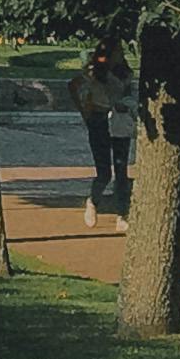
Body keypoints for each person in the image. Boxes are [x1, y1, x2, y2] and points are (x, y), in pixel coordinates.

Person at [70, 39, 135, 227]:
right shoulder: (94, 72)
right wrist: (84, 111)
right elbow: (73, 85)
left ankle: (122, 215)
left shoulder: (125, 74)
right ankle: (93, 200)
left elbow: (127, 94)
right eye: (116, 52)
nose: (120, 55)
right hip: (99, 119)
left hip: (119, 119)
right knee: (104, 172)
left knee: (121, 170)